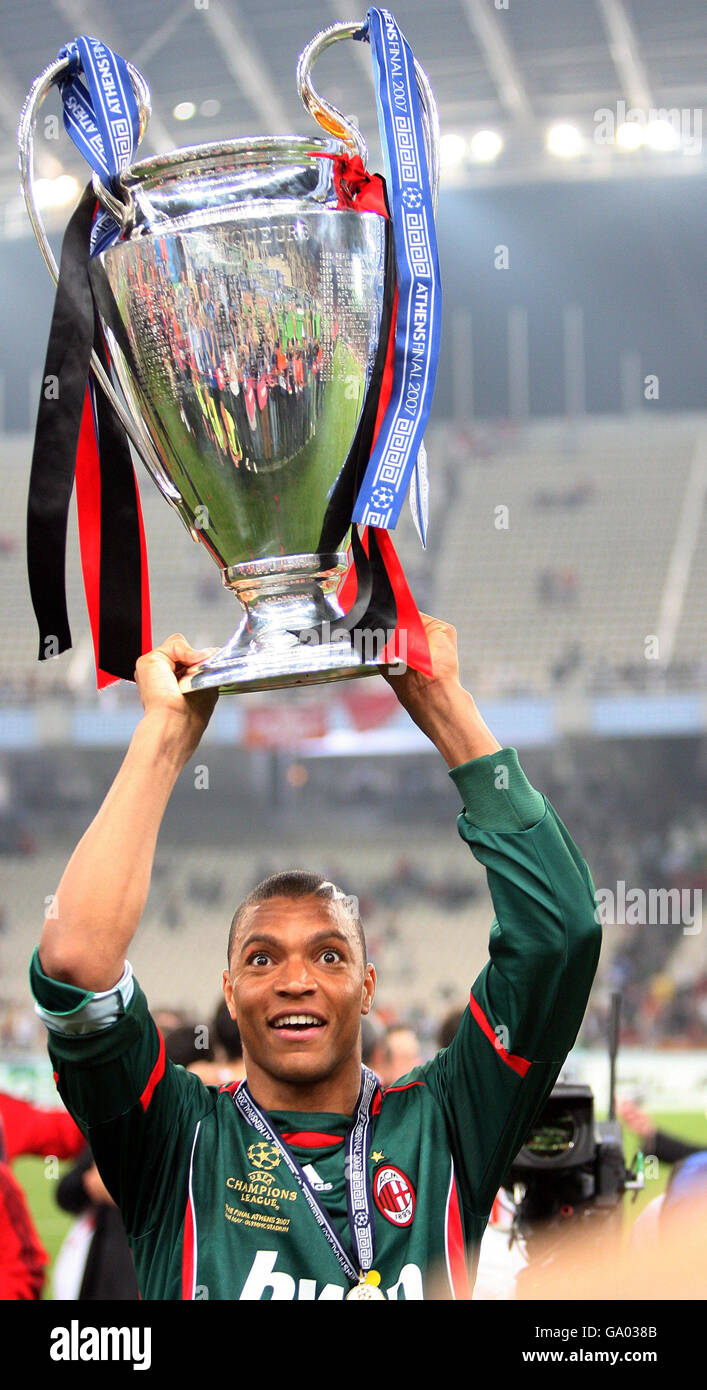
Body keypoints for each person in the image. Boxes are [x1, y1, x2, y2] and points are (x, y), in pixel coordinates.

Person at [29, 618, 601, 1300]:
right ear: (231, 991)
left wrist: (445, 703)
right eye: (262, 960)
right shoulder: (177, 1139)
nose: (294, 981)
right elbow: (74, 964)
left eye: (328, 956)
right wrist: (163, 737)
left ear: (366, 987)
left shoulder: (446, 1122)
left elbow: (560, 931)